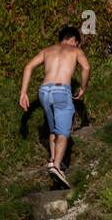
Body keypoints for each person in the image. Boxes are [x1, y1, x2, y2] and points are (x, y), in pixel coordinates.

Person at [18, 25, 90, 187]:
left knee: (53, 129)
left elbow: (28, 66)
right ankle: (56, 166)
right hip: (61, 91)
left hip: (44, 92)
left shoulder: (47, 50)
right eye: (77, 42)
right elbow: (86, 67)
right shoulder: (75, 51)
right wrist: (83, 88)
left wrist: (23, 93)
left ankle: (52, 159)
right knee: (63, 132)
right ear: (73, 40)